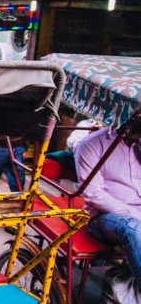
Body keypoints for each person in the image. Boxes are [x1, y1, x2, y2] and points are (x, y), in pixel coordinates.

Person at [75, 124, 141, 292]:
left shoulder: (137, 145)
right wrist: (134, 214)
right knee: (133, 228)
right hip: (105, 216)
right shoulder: (91, 144)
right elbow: (92, 194)